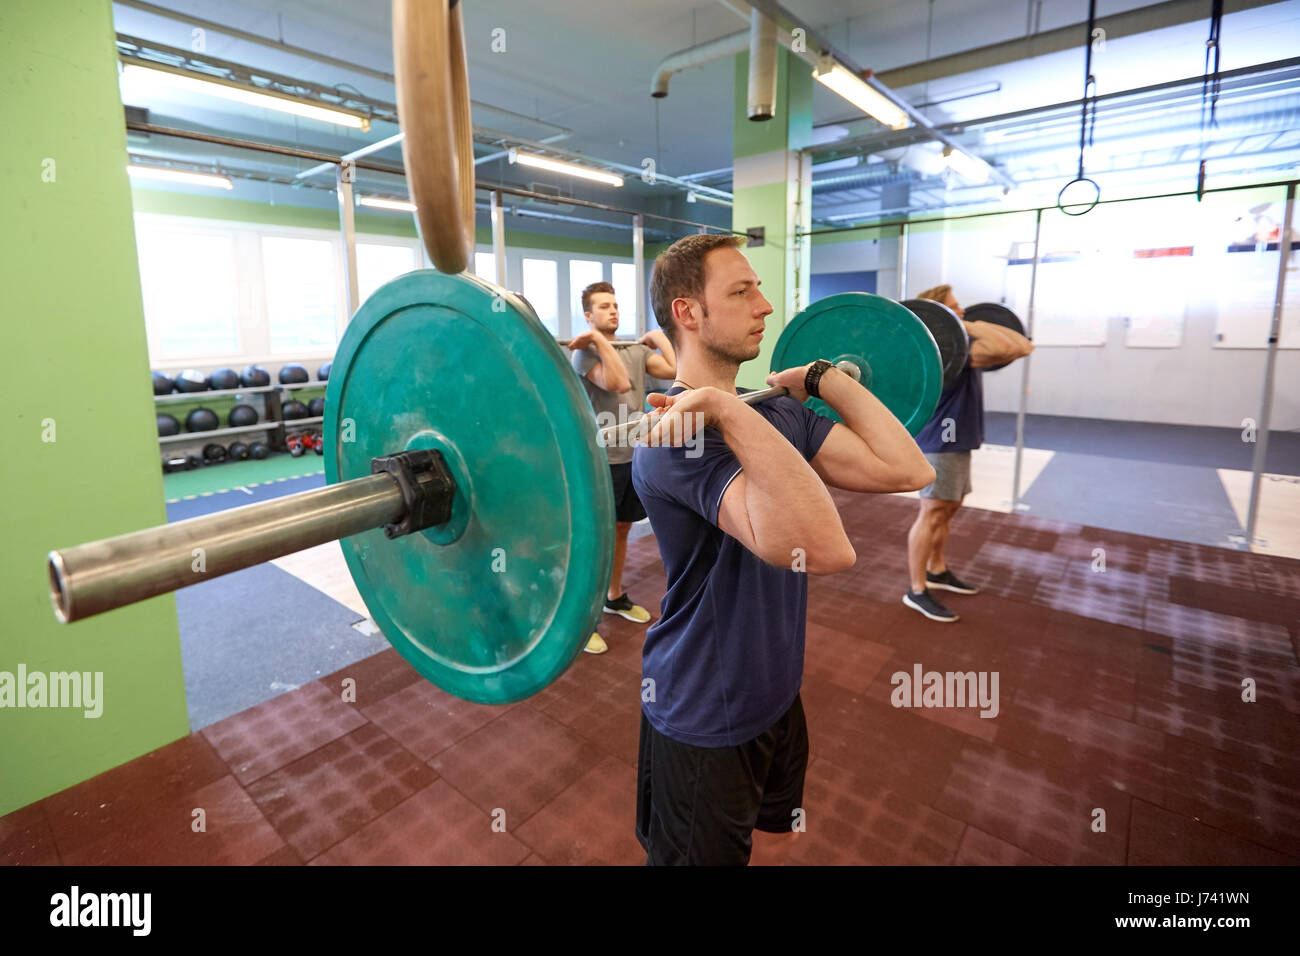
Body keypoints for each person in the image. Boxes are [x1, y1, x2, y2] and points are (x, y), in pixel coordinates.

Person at [629, 235, 935, 865]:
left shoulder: (775, 413)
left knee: (759, 833)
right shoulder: (675, 439)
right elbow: (824, 548)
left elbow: (907, 469)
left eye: (758, 288)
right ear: (689, 313)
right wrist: (720, 408)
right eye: (741, 292)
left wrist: (824, 379)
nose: (765, 305)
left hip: (773, 685)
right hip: (702, 707)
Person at [903, 284, 1033, 623]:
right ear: (940, 316)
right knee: (931, 512)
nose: (963, 312)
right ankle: (916, 590)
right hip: (940, 443)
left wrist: (962, 323)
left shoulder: (961, 347)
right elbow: (1019, 345)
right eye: (954, 308)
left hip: (959, 441)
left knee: (947, 510)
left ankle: (937, 569)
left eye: (959, 308)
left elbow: (1021, 345)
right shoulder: (949, 355)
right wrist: (962, 325)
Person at [569, 281, 677, 655]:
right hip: (600, 461)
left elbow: (675, 368)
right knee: (594, 539)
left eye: (615, 305)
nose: (613, 311)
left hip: (632, 454)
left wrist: (659, 336)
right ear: (588, 315)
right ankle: (582, 622)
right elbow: (617, 382)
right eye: (603, 307)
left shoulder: (633, 349)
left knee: (621, 529)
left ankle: (613, 597)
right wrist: (598, 342)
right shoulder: (584, 355)